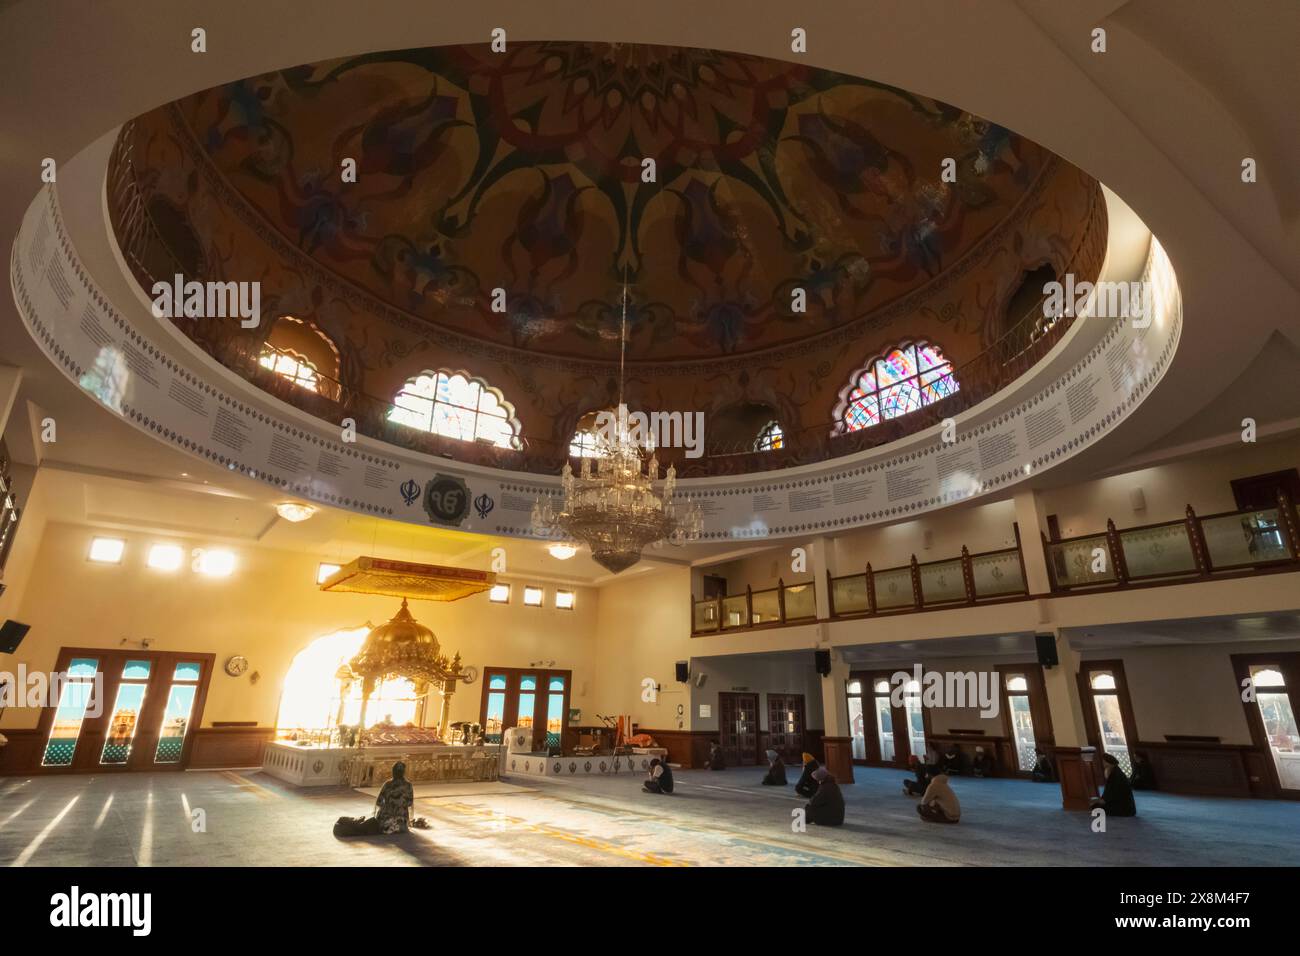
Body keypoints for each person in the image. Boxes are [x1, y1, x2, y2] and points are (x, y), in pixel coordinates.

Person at [333, 761, 418, 836]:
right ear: (403, 772)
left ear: (393, 772)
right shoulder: (408, 785)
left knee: (366, 824)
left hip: (386, 822)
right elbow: (410, 803)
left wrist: (388, 806)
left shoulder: (388, 784)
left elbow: (379, 802)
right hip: (401, 824)